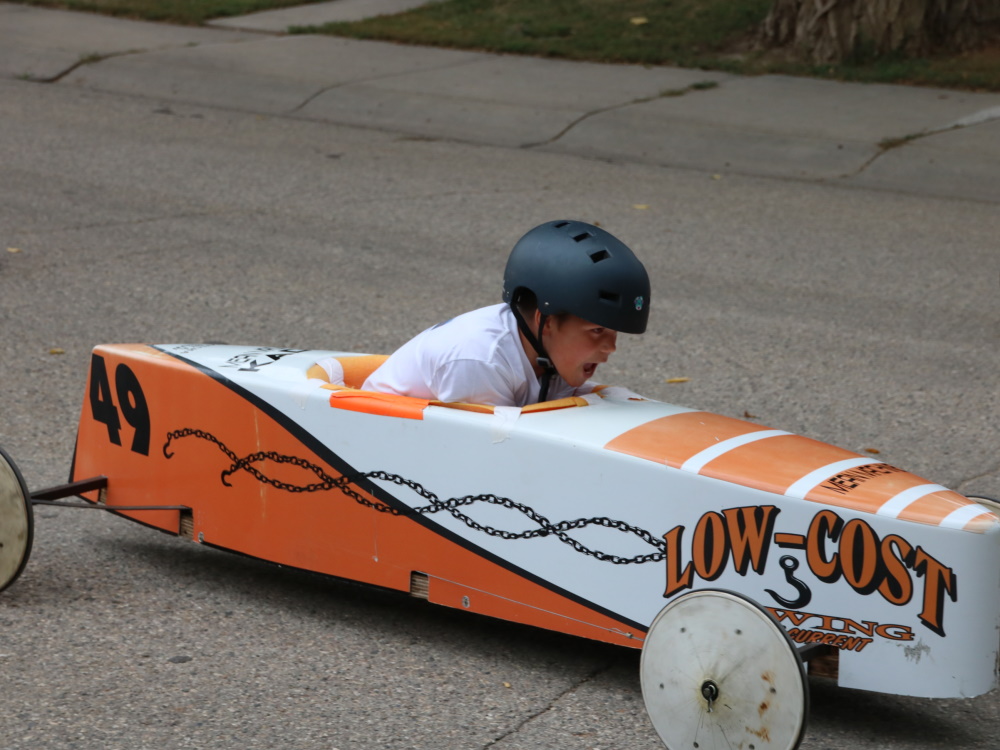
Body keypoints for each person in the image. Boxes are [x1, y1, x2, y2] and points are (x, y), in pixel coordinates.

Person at [319, 219, 650, 407]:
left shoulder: (548, 355)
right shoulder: (478, 360)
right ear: (544, 321)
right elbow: (492, 456)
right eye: (596, 331)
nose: (611, 347)